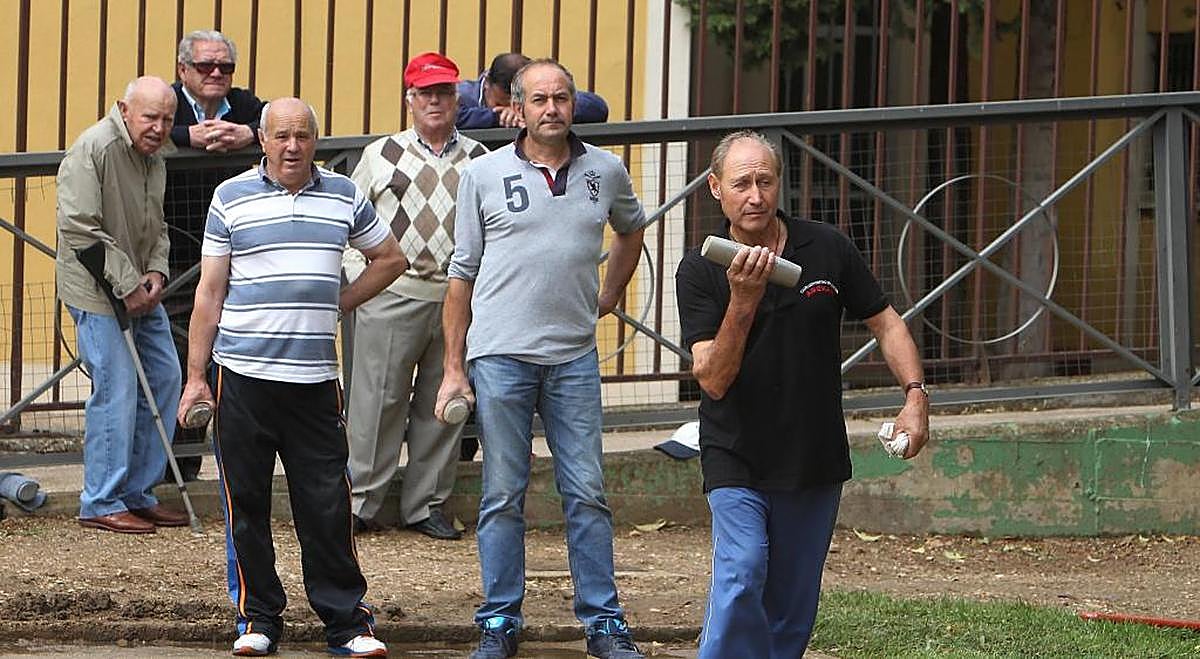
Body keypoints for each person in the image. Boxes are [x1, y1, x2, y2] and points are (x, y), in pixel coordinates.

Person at [675, 130, 931, 658]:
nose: (755, 195)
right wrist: (743, 300)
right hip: (736, 451)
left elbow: (886, 323)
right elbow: (713, 378)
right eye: (741, 183)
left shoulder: (827, 247)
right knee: (742, 572)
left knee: (792, 607)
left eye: (765, 181)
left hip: (813, 454)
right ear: (715, 188)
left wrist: (914, 395)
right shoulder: (700, 268)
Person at [178, 98, 406, 657]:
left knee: (326, 504)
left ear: (315, 140)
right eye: (281, 135)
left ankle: (347, 623)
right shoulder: (229, 197)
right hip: (244, 376)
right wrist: (195, 379)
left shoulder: (345, 195)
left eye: (302, 136)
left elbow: (390, 259)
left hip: (313, 382)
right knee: (247, 503)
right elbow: (209, 294)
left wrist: (339, 304)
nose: (292, 146)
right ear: (262, 139)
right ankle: (257, 619)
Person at [437, 59, 647, 659]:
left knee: (587, 491)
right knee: (503, 493)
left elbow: (631, 231)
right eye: (538, 99)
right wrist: (455, 367)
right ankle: (499, 620)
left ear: (573, 104)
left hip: (574, 357)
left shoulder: (605, 171)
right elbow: (461, 275)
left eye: (560, 98)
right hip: (500, 357)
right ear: (518, 108)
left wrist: (609, 296)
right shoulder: (482, 174)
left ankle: (604, 624)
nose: (550, 108)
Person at [344, 52, 488, 539]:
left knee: (443, 400)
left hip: (457, 296)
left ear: (456, 99)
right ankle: (361, 500)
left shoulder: (482, 160)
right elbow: (349, 223)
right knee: (375, 400)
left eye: (444, 92)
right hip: (392, 292)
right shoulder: (381, 154)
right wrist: (358, 281)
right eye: (425, 92)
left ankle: (427, 503)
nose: (435, 101)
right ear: (409, 99)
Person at [55, 76, 190, 535]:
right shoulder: (93, 148)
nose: (159, 127)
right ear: (124, 109)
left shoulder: (155, 155)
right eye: (150, 117)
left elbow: (159, 225)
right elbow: (79, 228)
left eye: (167, 119)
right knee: (116, 389)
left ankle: (138, 491)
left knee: (166, 376)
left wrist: (156, 273)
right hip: (97, 288)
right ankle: (100, 499)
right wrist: (127, 283)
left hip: (139, 285)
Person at [164, 30, 266, 479]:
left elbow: (291, 121)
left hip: (232, 256)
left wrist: (247, 133)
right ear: (183, 70)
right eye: (206, 66)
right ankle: (168, 468)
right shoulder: (166, 103)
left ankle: (205, 463)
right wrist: (188, 136)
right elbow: (134, 125)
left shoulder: (245, 107)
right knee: (173, 359)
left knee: (221, 356)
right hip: (174, 254)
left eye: (225, 67)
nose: (216, 74)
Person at [456, 52, 609, 129]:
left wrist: (532, 111)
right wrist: (498, 117)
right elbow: (446, 117)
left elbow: (597, 108)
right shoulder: (463, 94)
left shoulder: (544, 90)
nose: (512, 110)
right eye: (499, 103)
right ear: (487, 83)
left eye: (518, 104)